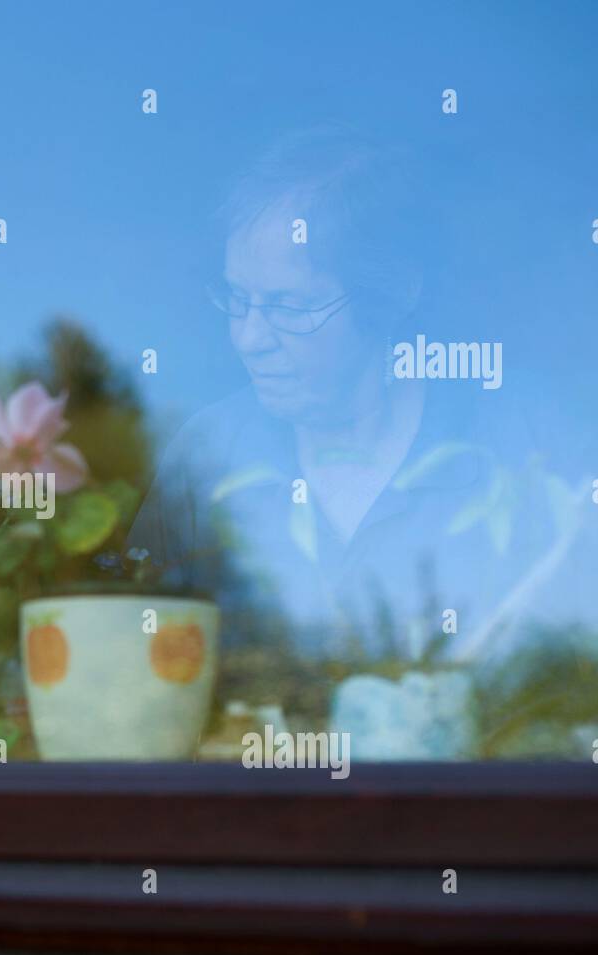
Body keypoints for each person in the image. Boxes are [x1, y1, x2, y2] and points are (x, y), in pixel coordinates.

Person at [129, 125, 544, 667]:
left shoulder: (511, 449)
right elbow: (134, 656)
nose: (248, 339)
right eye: (237, 298)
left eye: (290, 307)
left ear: (391, 296)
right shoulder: (207, 453)